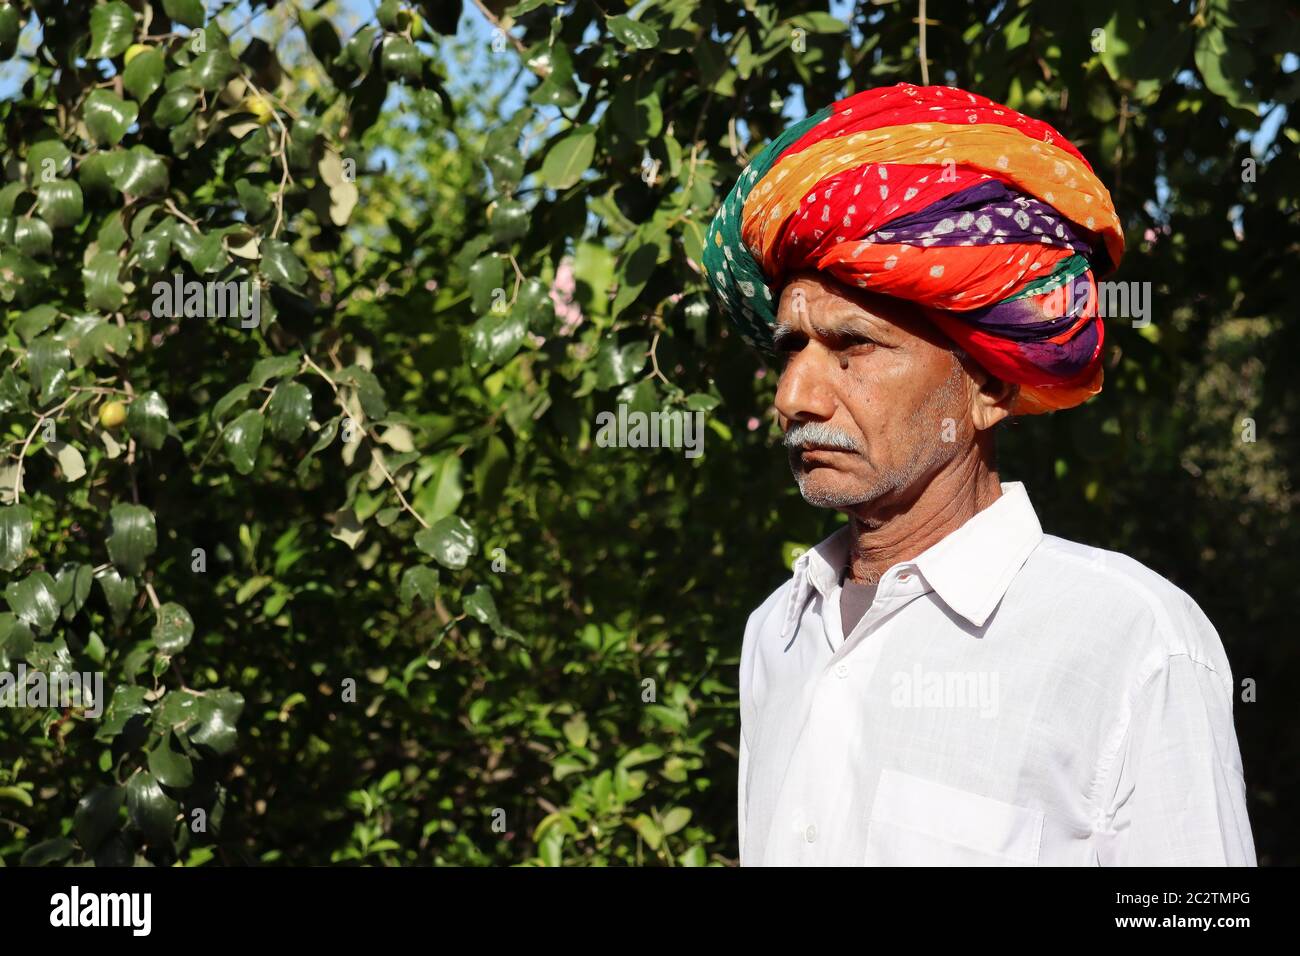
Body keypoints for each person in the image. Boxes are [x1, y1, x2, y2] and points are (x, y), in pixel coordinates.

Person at [703, 83, 1256, 866]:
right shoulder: (777, 634)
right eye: (792, 348)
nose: (796, 396)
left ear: (990, 387)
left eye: (852, 347)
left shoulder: (1130, 642)